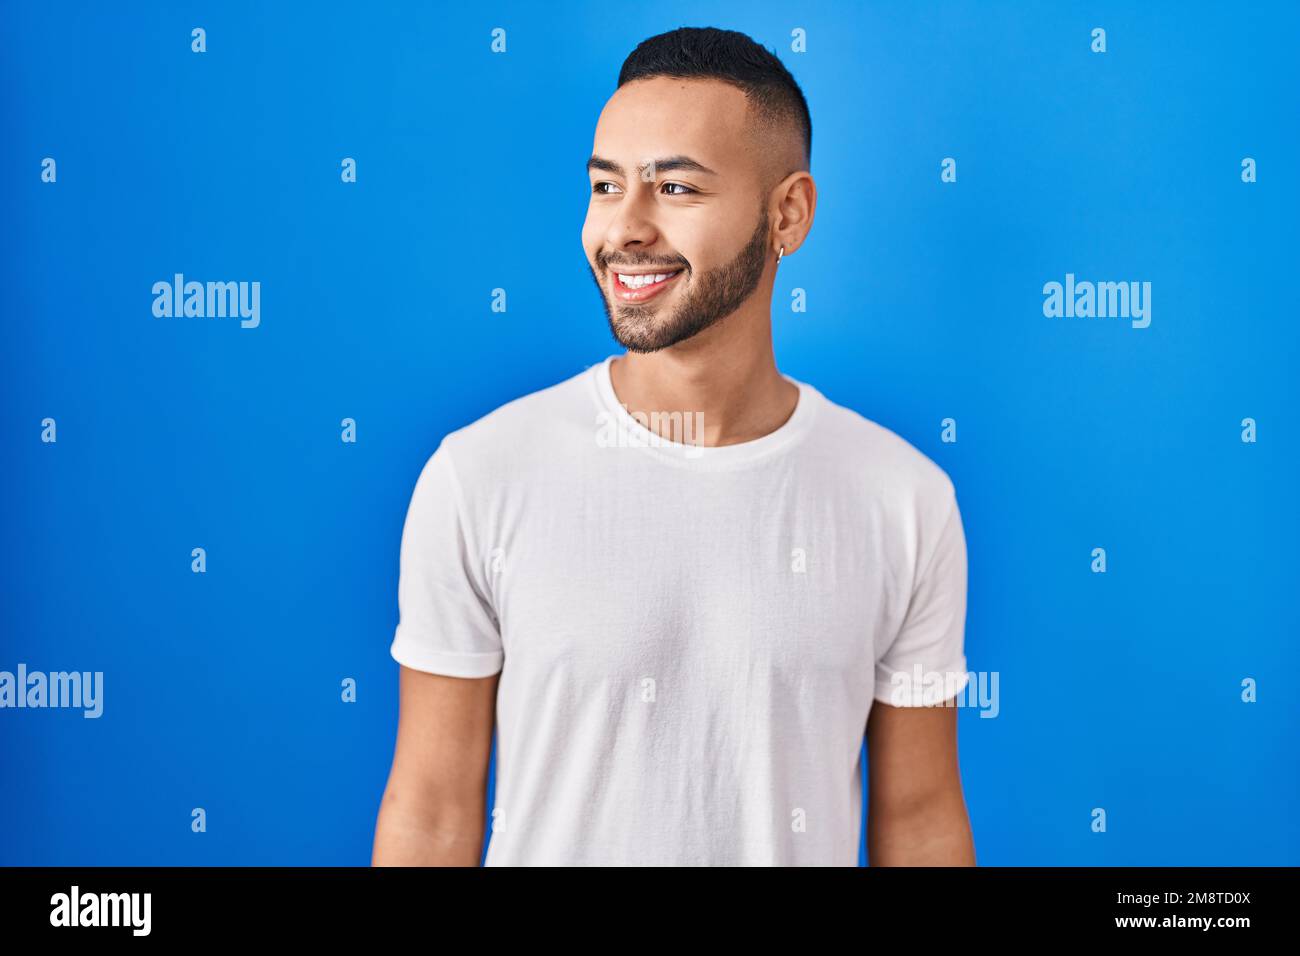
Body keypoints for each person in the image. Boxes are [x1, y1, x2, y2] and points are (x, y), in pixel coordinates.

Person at [372, 26, 975, 866]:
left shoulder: (905, 501)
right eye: (605, 185)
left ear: (788, 213)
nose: (624, 229)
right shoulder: (479, 476)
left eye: (677, 188)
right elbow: (432, 811)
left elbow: (918, 819)